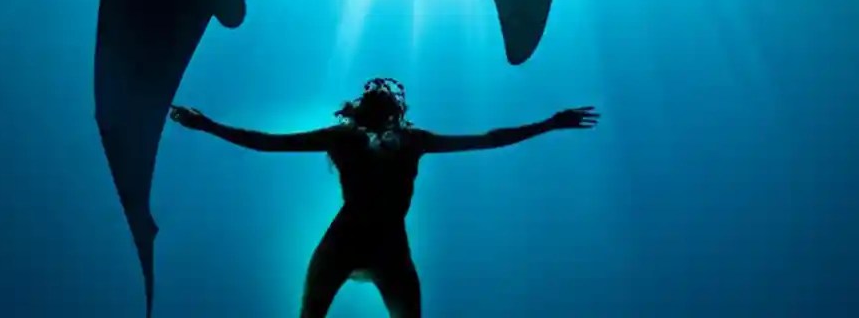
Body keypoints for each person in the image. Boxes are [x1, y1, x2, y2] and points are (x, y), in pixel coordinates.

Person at [169, 77, 600, 317]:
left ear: (394, 112)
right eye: (373, 101)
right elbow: (267, 142)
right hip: (347, 239)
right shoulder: (341, 137)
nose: (379, 104)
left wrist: (549, 123)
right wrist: (207, 125)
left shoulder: (413, 140)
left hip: (388, 244)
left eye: (384, 102)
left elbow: (488, 139)